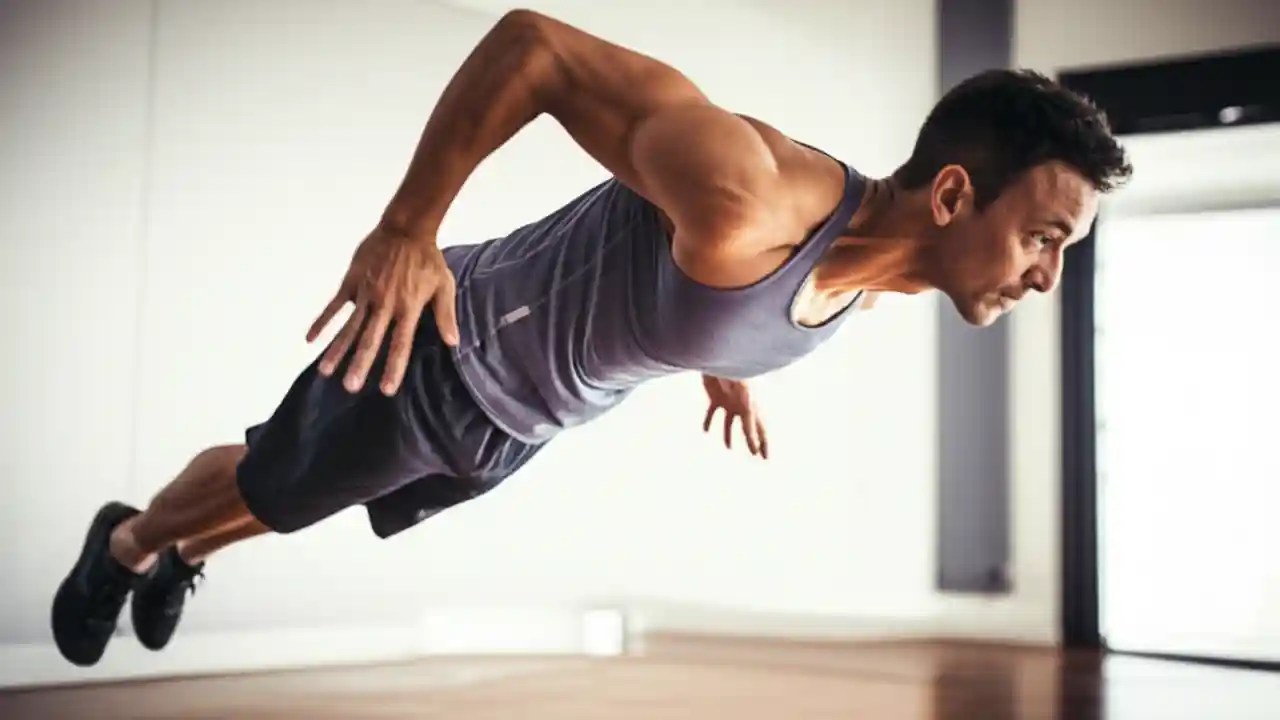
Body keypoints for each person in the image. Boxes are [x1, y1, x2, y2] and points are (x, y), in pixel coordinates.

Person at [52, 9, 1131, 666]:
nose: (1045, 275)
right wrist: (404, 231)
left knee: (293, 503)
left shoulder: (867, 279)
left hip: (516, 423)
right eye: (1043, 236)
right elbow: (536, 51)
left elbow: (717, 293)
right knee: (270, 484)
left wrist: (726, 361)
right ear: (952, 195)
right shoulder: (745, 195)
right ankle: (132, 544)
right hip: (444, 350)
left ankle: (181, 550)